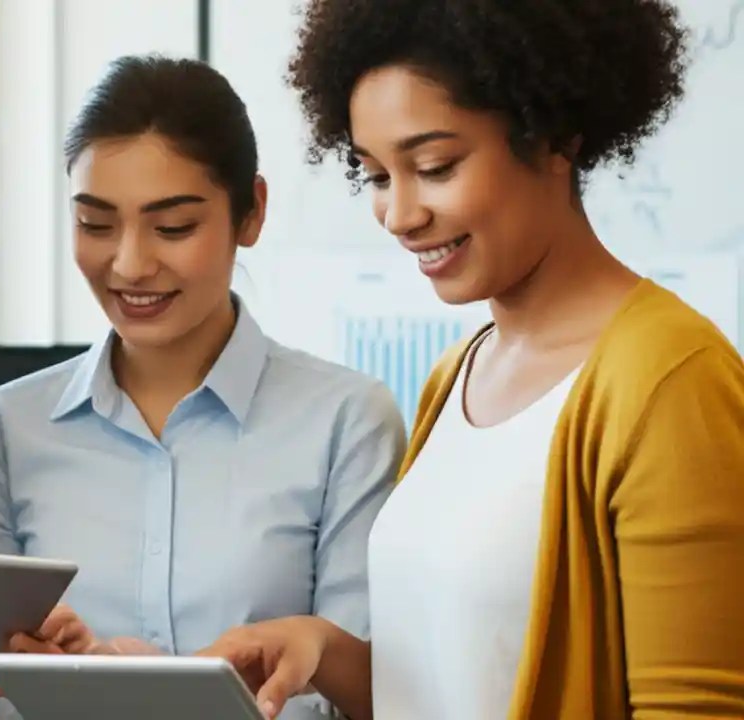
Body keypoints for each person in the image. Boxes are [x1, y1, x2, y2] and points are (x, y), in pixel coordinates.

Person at [198, 1, 744, 719]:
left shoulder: (673, 381)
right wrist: (325, 652)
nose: (400, 214)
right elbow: (443, 688)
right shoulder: (454, 377)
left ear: (553, 136)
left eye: (434, 166)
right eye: (376, 176)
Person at [0, 55, 407, 720]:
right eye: (96, 224)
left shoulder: (347, 422)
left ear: (251, 214)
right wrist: (33, 677)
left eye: (173, 227)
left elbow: (373, 694)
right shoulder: (5, 430)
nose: (130, 263)